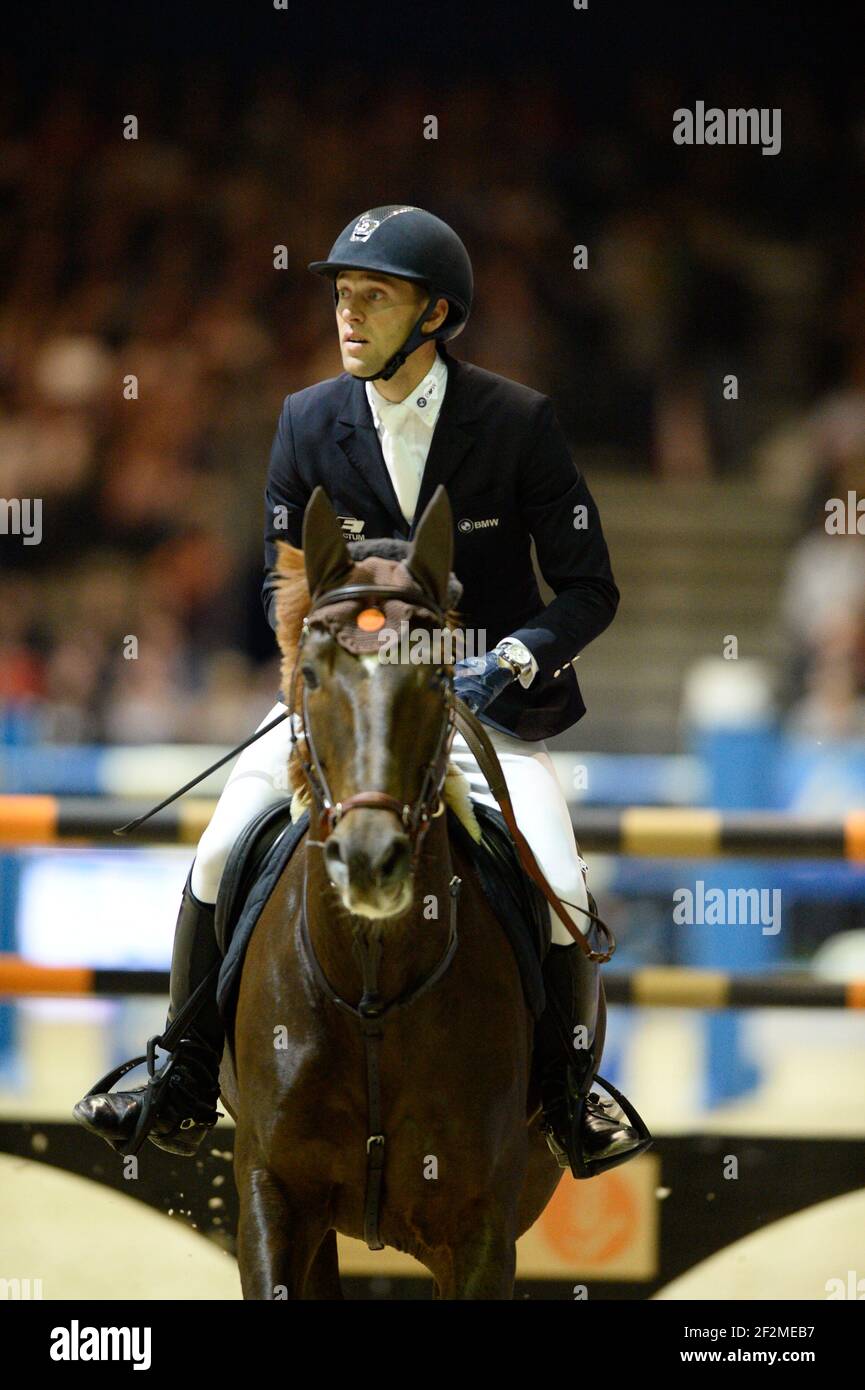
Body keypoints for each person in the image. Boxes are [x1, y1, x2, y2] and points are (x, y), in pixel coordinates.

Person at [74, 204, 650, 1178]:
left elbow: (591, 588)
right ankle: (180, 1064)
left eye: (372, 298)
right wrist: (323, 675)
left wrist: (505, 659)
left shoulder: (516, 423)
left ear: (433, 315)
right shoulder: (305, 421)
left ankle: (565, 1087)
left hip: (480, 704)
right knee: (222, 841)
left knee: (556, 870)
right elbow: (281, 585)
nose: (347, 315)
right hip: (342, 703)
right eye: (342, 296)